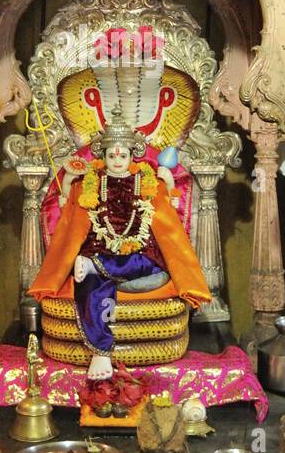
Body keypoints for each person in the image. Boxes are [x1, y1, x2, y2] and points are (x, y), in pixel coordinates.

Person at [29, 108, 209, 379]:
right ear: (103, 156)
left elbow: (167, 219)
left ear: (131, 156)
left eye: (122, 155)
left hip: (140, 250)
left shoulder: (147, 181)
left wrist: (168, 182)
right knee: (89, 282)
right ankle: (101, 353)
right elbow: (70, 214)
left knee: (149, 265)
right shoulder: (90, 182)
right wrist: (67, 179)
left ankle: (95, 267)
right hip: (98, 246)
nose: (117, 160)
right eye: (111, 155)